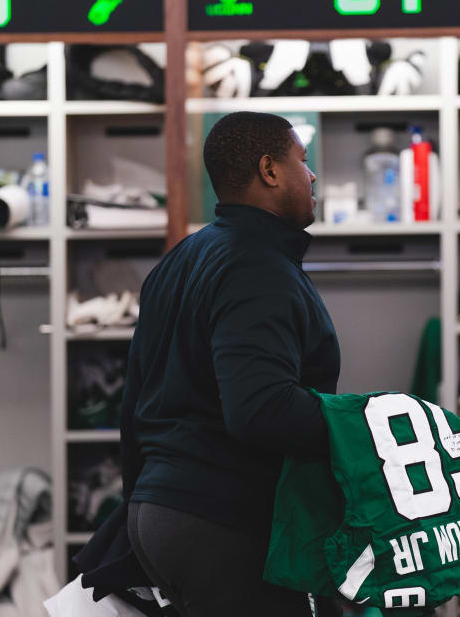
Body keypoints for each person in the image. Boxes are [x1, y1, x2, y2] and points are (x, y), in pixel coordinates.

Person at [120, 111, 339, 616]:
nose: (311, 177)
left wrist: (139, 507)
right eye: (301, 162)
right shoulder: (256, 267)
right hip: (225, 517)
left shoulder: (182, 258)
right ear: (269, 170)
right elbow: (261, 411)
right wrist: (367, 424)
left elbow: (135, 405)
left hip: (162, 512)